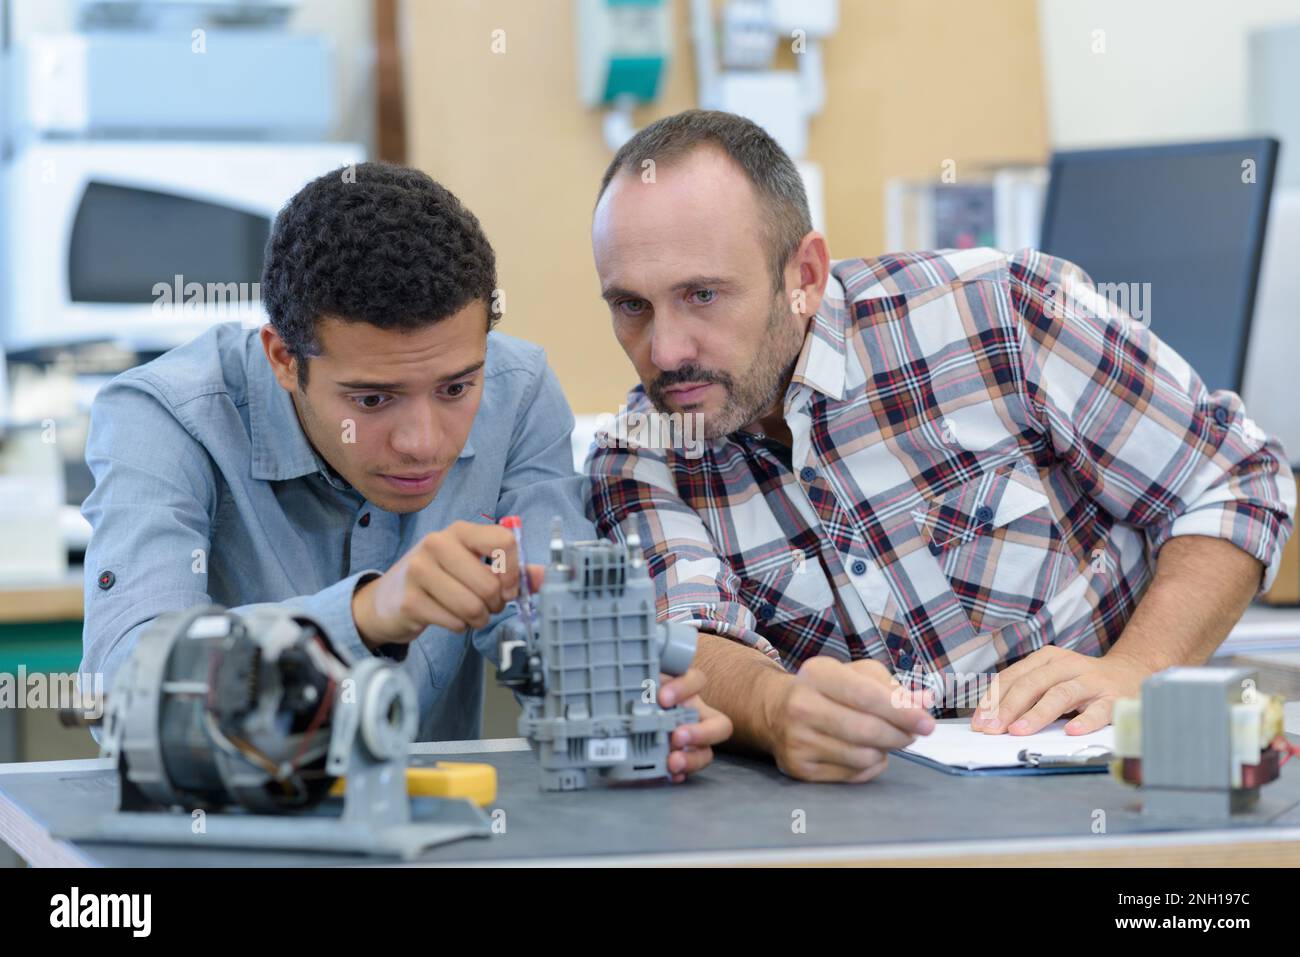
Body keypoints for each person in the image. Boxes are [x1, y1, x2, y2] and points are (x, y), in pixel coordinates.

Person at [585, 110, 1296, 783]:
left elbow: (1237, 477)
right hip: (889, 826)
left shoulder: (1003, 312)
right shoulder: (640, 453)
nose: (666, 350)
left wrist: (1142, 665)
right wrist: (776, 709)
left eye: (703, 295)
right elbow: (689, 637)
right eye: (631, 306)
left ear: (803, 276)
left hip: (1113, 785)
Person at [81, 162, 730, 778]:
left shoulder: (518, 390)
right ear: (283, 357)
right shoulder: (165, 417)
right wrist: (365, 614)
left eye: (455, 388)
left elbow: (546, 616)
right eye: (372, 399)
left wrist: (621, 699)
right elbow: (123, 698)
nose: (423, 443)